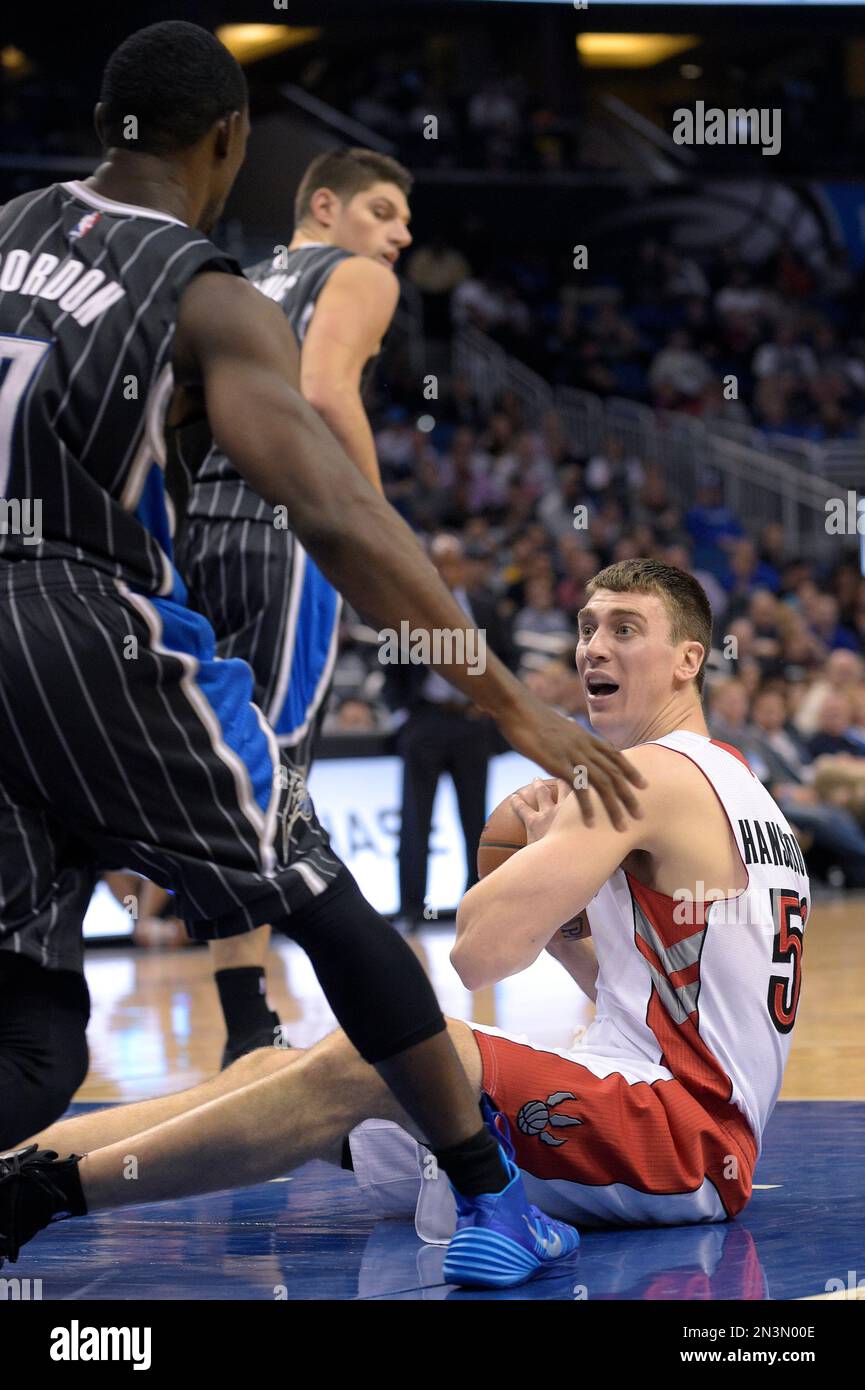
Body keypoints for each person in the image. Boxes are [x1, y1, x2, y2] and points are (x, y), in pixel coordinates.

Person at [0, 22, 643, 1287]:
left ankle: (235, 1043)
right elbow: (339, 511)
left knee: (32, 1028)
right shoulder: (203, 283)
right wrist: (509, 700)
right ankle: (490, 1194)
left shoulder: (10, 226)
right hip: (81, 613)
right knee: (313, 885)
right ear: (232, 143)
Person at [2, 560, 809, 1265]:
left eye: (624, 630)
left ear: (687, 661)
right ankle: (17, 1162)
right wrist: (569, 913)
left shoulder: (640, 779)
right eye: (587, 625)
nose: (592, 646)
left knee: (393, 1047)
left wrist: (544, 845)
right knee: (280, 1070)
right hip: (669, 1118)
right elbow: (649, 995)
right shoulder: (743, 792)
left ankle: (43, 1196)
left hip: (678, 1135)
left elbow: (478, 956)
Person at [175, 145, 415, 1065]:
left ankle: (247, 1018)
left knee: (221, 765)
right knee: (273, 771)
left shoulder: (230, 281)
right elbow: (323, 389)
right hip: (283, 536)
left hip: (200, 533)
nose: (398, 236)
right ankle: (280, 1022)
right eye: (385, 212)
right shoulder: (351, 274)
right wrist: (373, 520)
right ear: (325, 204)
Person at [386, 533, 515, 930]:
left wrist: (492, 704)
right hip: (426, 722)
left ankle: (477, 907)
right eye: (438, 562)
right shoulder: (409, 610)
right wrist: (404, 716)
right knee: (415, 821)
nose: (446, 570)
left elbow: (510, 660)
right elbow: (390, 666)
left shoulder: (485, 609)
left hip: (471, 724)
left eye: (453, 561)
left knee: (477, 824)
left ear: (463, 566)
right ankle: (411, 910)